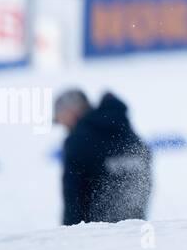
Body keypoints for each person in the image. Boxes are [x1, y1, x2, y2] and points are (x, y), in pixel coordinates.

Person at [54, 89, 152, 226]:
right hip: (134, 230)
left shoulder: (78, 142)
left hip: (96, 238)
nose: (63, 126)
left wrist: (69, 236)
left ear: (71, 112)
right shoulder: (128, 134)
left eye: (61, 119)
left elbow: (73, 199)